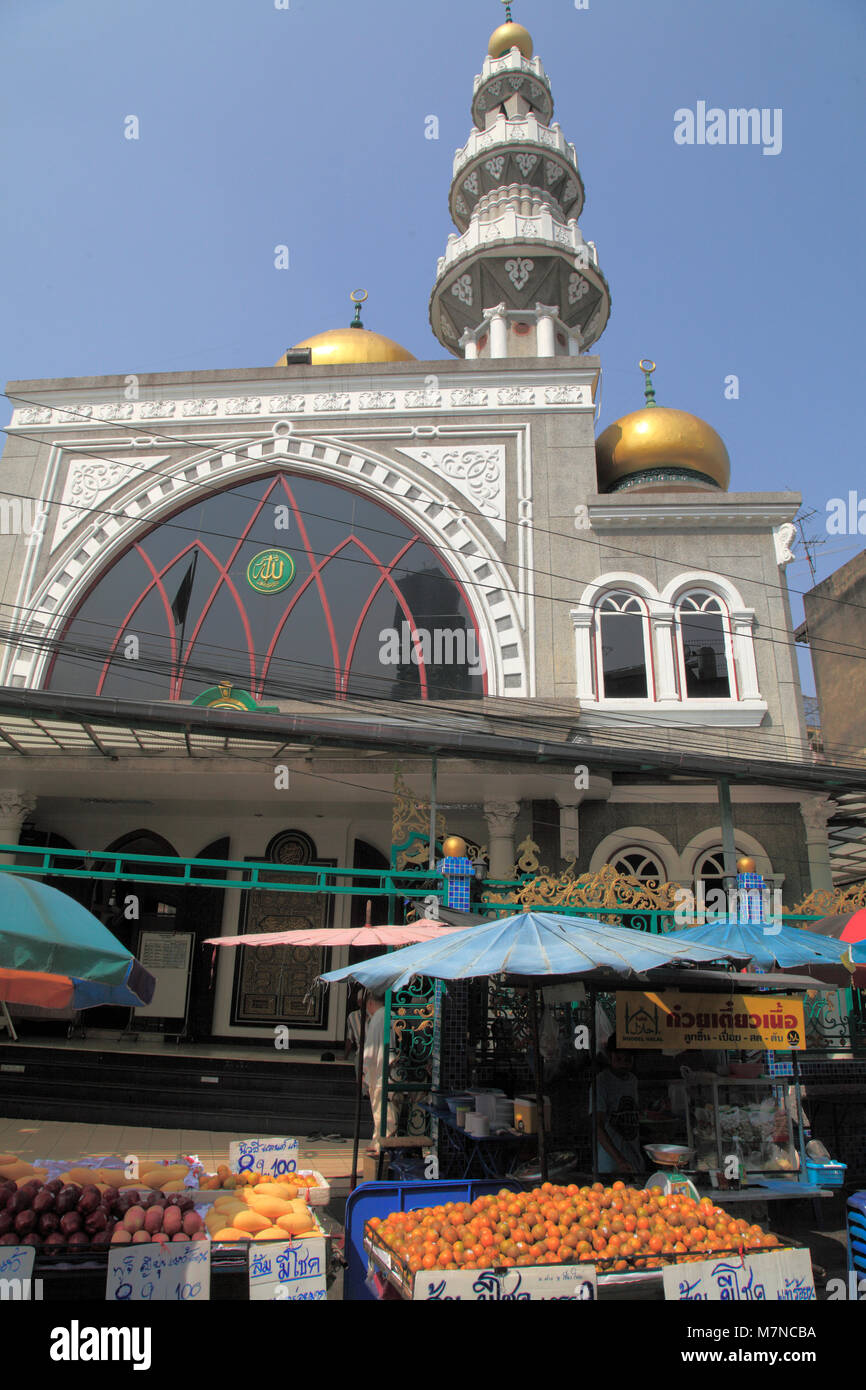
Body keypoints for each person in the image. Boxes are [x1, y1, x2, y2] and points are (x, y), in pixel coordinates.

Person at [593, 1044, 645, 1175]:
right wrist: (619, 1160)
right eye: (619, 1059)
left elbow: (635, 1113)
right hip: (610, 1165)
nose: (623, 1064)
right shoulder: (601, 1082)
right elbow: (597, 1126)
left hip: (633, 1160)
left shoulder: (633, 1080)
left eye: (627, 1060)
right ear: (610, 1057)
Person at [362, 991, 399, 1150]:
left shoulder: (377, 1019)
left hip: (379, 1074)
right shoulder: (392, 1015)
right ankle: (378, 1143)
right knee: (389, 1115)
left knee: (383, 1116)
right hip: (394, 1074)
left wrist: (364, 1071)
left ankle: (382, 1149)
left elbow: (369, 1054)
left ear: (370, 1003)